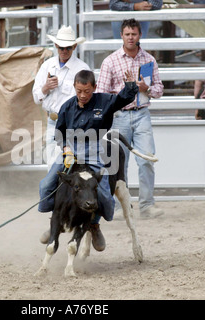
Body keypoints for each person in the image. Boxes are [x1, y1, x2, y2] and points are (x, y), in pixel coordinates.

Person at [38, 69, 139, 252]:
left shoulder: (105, 101)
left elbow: (124, 99)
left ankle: (93, 224)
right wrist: (67, 150)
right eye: (79, 91)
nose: (82, 95)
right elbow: (59, 133)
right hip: (72, 152)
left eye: (86, 91)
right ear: (75, 88)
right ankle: (56, 221)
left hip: (95, 152)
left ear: (94, 87)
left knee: (104, 196)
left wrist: (130, 85)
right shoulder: (67, 106)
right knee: (46, 185)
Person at [96, 19, 164, 220]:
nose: (131, 37)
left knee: (146, 159)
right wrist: (123, 93)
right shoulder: (110, 61)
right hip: (119, 116)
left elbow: (159, 89)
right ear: (122, 35)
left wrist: (147, 88)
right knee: (117, 164)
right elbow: (101, 93)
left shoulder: (149, 60)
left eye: (134, 34)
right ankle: (120, 207)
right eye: (127, 34)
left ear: (139, 35)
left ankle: (146, 205)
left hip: (142, 113)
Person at [32, 26, 90, 168]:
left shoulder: (82, 69)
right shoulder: (47, 66)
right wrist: (46, 87)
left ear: (74, 47)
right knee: (52, 165)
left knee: (74, 166)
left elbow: (89, 98)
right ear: (56, 46)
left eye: (68, 48)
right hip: (53, 122)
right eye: (62, 48)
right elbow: (35, 97)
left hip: (74, 123)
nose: (64, 51)